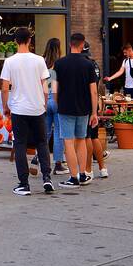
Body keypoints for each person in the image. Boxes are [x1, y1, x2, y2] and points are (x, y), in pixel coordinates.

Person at [0, 27, 53, 196]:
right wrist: (44, 103)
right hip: (37, 108)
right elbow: (45, 86)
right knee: (42, 143)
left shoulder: (10, 62)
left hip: (19, 109)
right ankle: (47, 178)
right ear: (30, 40)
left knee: (20, 144)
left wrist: (6, 106)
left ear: (15, 41)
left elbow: (5, 87)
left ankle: (24, 184)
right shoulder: (39, 60)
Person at [54, 33, 99, 188]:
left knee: (68, 141)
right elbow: (93, 91)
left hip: (65, 107)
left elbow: (55, 88)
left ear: (70, 45)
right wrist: (94, 112)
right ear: (82, 45)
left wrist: (57, 102)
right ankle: (83, 174)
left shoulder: (59, 64)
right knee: (81, 140)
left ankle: (73, 178)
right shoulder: (88, 65)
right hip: (84, 108)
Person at [81, 41, 109, 179]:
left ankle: (87, 169)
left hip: (84, 103)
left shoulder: (83, 65)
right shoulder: (95, 64)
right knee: (94, 136)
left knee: (86, 137)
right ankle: (102, 168)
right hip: (94, 102)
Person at [43, 37, 66, 175]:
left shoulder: (42, 61)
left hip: (44, 100)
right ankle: (58, 164)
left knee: (44, 133)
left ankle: (39, 159)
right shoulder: (61, 63)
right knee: (59, 133)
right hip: (57, 99)